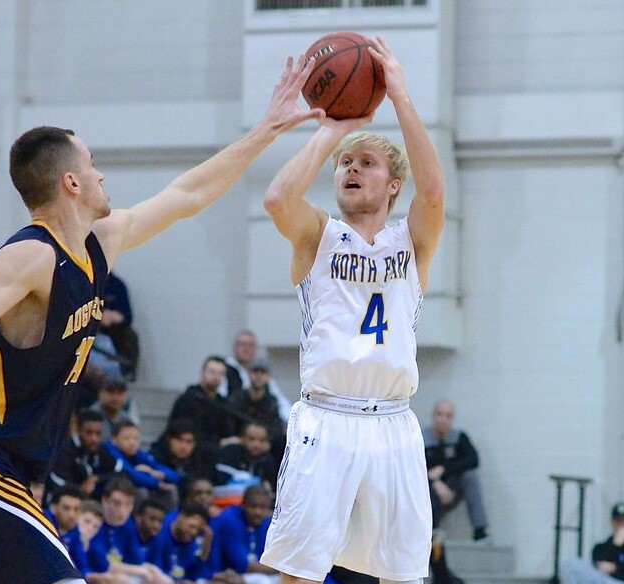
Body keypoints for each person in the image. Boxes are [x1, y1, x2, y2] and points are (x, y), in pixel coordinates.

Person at [0, 55, 320, 583]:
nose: (101, 173)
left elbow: (187, 194)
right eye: (92, 163)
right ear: (71, 182)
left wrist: (267, 130)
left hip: (14, 465)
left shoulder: (102, 242)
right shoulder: (30, 256)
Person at [257, 37, 445, 584]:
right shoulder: (318, 235)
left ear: (393, 185)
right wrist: (332, 130)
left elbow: (434, 193)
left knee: (404, 576)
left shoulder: (411, 242)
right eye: (344, 164)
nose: (350, 169)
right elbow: (276, 200)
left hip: (393, 423)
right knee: (298, 572)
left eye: (365, 162)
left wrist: (401, 98)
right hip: (327, 419)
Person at [423, 399, 490, 542]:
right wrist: (435, 482)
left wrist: (444, 468)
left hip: (452, 489)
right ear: (433, 416)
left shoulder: (458, 437)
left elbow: (473, 460)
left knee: (470, 477)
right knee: (423, 488)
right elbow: (414, 468)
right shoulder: (421, 437)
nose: (443, 419)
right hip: (429, 491)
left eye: (448, 416)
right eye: (439, 414)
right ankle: (430, 530)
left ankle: (480, 530)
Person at [88, 476, 171, 584]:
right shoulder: (93, 523)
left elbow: (137, 560)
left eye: (128, 504)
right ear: (104, 501)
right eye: (117, 503)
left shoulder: (127, 525)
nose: (123, 511)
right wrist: (142, 571)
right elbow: (102, 564)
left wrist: (154, 571)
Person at [561, 502, 624, 584]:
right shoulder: (603, 546)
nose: (622, 524)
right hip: (608, 581)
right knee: (571, 564)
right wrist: (615, 545)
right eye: (618, 521)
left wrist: (616, 567)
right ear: (612, 522)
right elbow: (599, 566)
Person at [168, 356, 241, 465]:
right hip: (193, 449)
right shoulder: (188, 399)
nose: (216, 377)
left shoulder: (222, 403)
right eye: (212, 372)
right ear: (202, 373)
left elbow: (226, 431)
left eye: (220, 373)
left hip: (216, 448)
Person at [47, 408, 124, 499]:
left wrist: (96, 478)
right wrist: (80, 489)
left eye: (98, 433)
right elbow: (58, 483)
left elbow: (120, 472)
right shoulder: (65, 450)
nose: (94, 439)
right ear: (78, 430)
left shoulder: (99, 448)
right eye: (89, 433)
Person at [210, 485, 277, 581]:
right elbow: (245, 565)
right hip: (225, 576)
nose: (258, 512)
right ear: (243, 505)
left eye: (262, 507)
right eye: (253, 507)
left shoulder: (267, 521)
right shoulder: (229, 519)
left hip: (259, 573)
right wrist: (282, 569)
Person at [221, 331, 291, 421]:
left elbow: (281, 402)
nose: (246, 349)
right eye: (242, 344)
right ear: (234, 347)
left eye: (250, 345)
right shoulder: (224, 370)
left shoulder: (263, 373)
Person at [105, 420, 180, 494]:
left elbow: (174, 475)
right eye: (126, 438)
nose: (132, 443)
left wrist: (155, 473)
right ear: (114, 439)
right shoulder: (110, 451)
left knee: (171, 491)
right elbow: (133, 476)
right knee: (141, 492)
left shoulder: (137, 452)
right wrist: (158, 484)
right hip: (109, 489)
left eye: (135, 438)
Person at [148, 502, 211, 582]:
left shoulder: (190, 541)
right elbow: (155, 574)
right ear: (180, 517)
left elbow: (193, 576)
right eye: (192, 526)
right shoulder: (160, 533)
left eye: (199, 530)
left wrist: (204, 552)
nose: (194, 532)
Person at [213, 422, 278, 490]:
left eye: (261, 440)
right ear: (242, 438)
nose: (256, 444)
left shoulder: (267, 460)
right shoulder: (230, 452)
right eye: (251, 439)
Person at [89, 373, 139, 439]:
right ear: (100, 393)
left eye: (120, 393)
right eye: (111, 392)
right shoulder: (91, 416)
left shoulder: (126, 419)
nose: (115, 397)